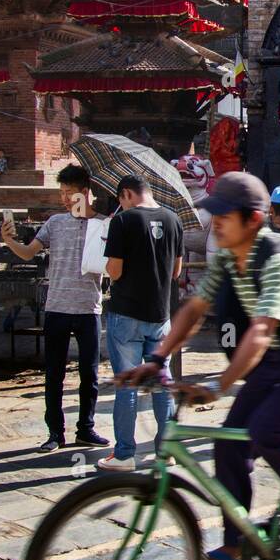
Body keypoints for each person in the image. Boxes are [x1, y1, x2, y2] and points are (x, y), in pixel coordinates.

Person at [116, 172, 280, 560]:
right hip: (271, 362)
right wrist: (157, 357)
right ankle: (235, 544)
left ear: (253, 220)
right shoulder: (227, 257)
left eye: (224, 216)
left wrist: (218, 387)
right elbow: (194, 308)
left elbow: (260, 330)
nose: (215, 223)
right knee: (227, 445)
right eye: (213, 215)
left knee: (267, 431)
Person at [2, 164, 109, 451]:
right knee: (54, 375)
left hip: (89, 308)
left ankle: (85, 428)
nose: (64, 198)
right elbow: (28, 253)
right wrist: (9, 240)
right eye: (61, 193)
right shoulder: (54, 223)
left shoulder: (104, 224)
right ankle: (55, 433)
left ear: (85, 192)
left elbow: (111, 267)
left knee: (90, 375)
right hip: (57, 307)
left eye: (69, 192)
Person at [97, 174, 185, 472]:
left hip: (127, 313)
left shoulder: (122, 222)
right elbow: (176, 271)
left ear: (126, 195)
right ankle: (166, 450)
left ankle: (124, 454)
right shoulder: (173, 220)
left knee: (128, 386)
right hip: (160, 315)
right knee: (162, 383)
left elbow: (115, 270)